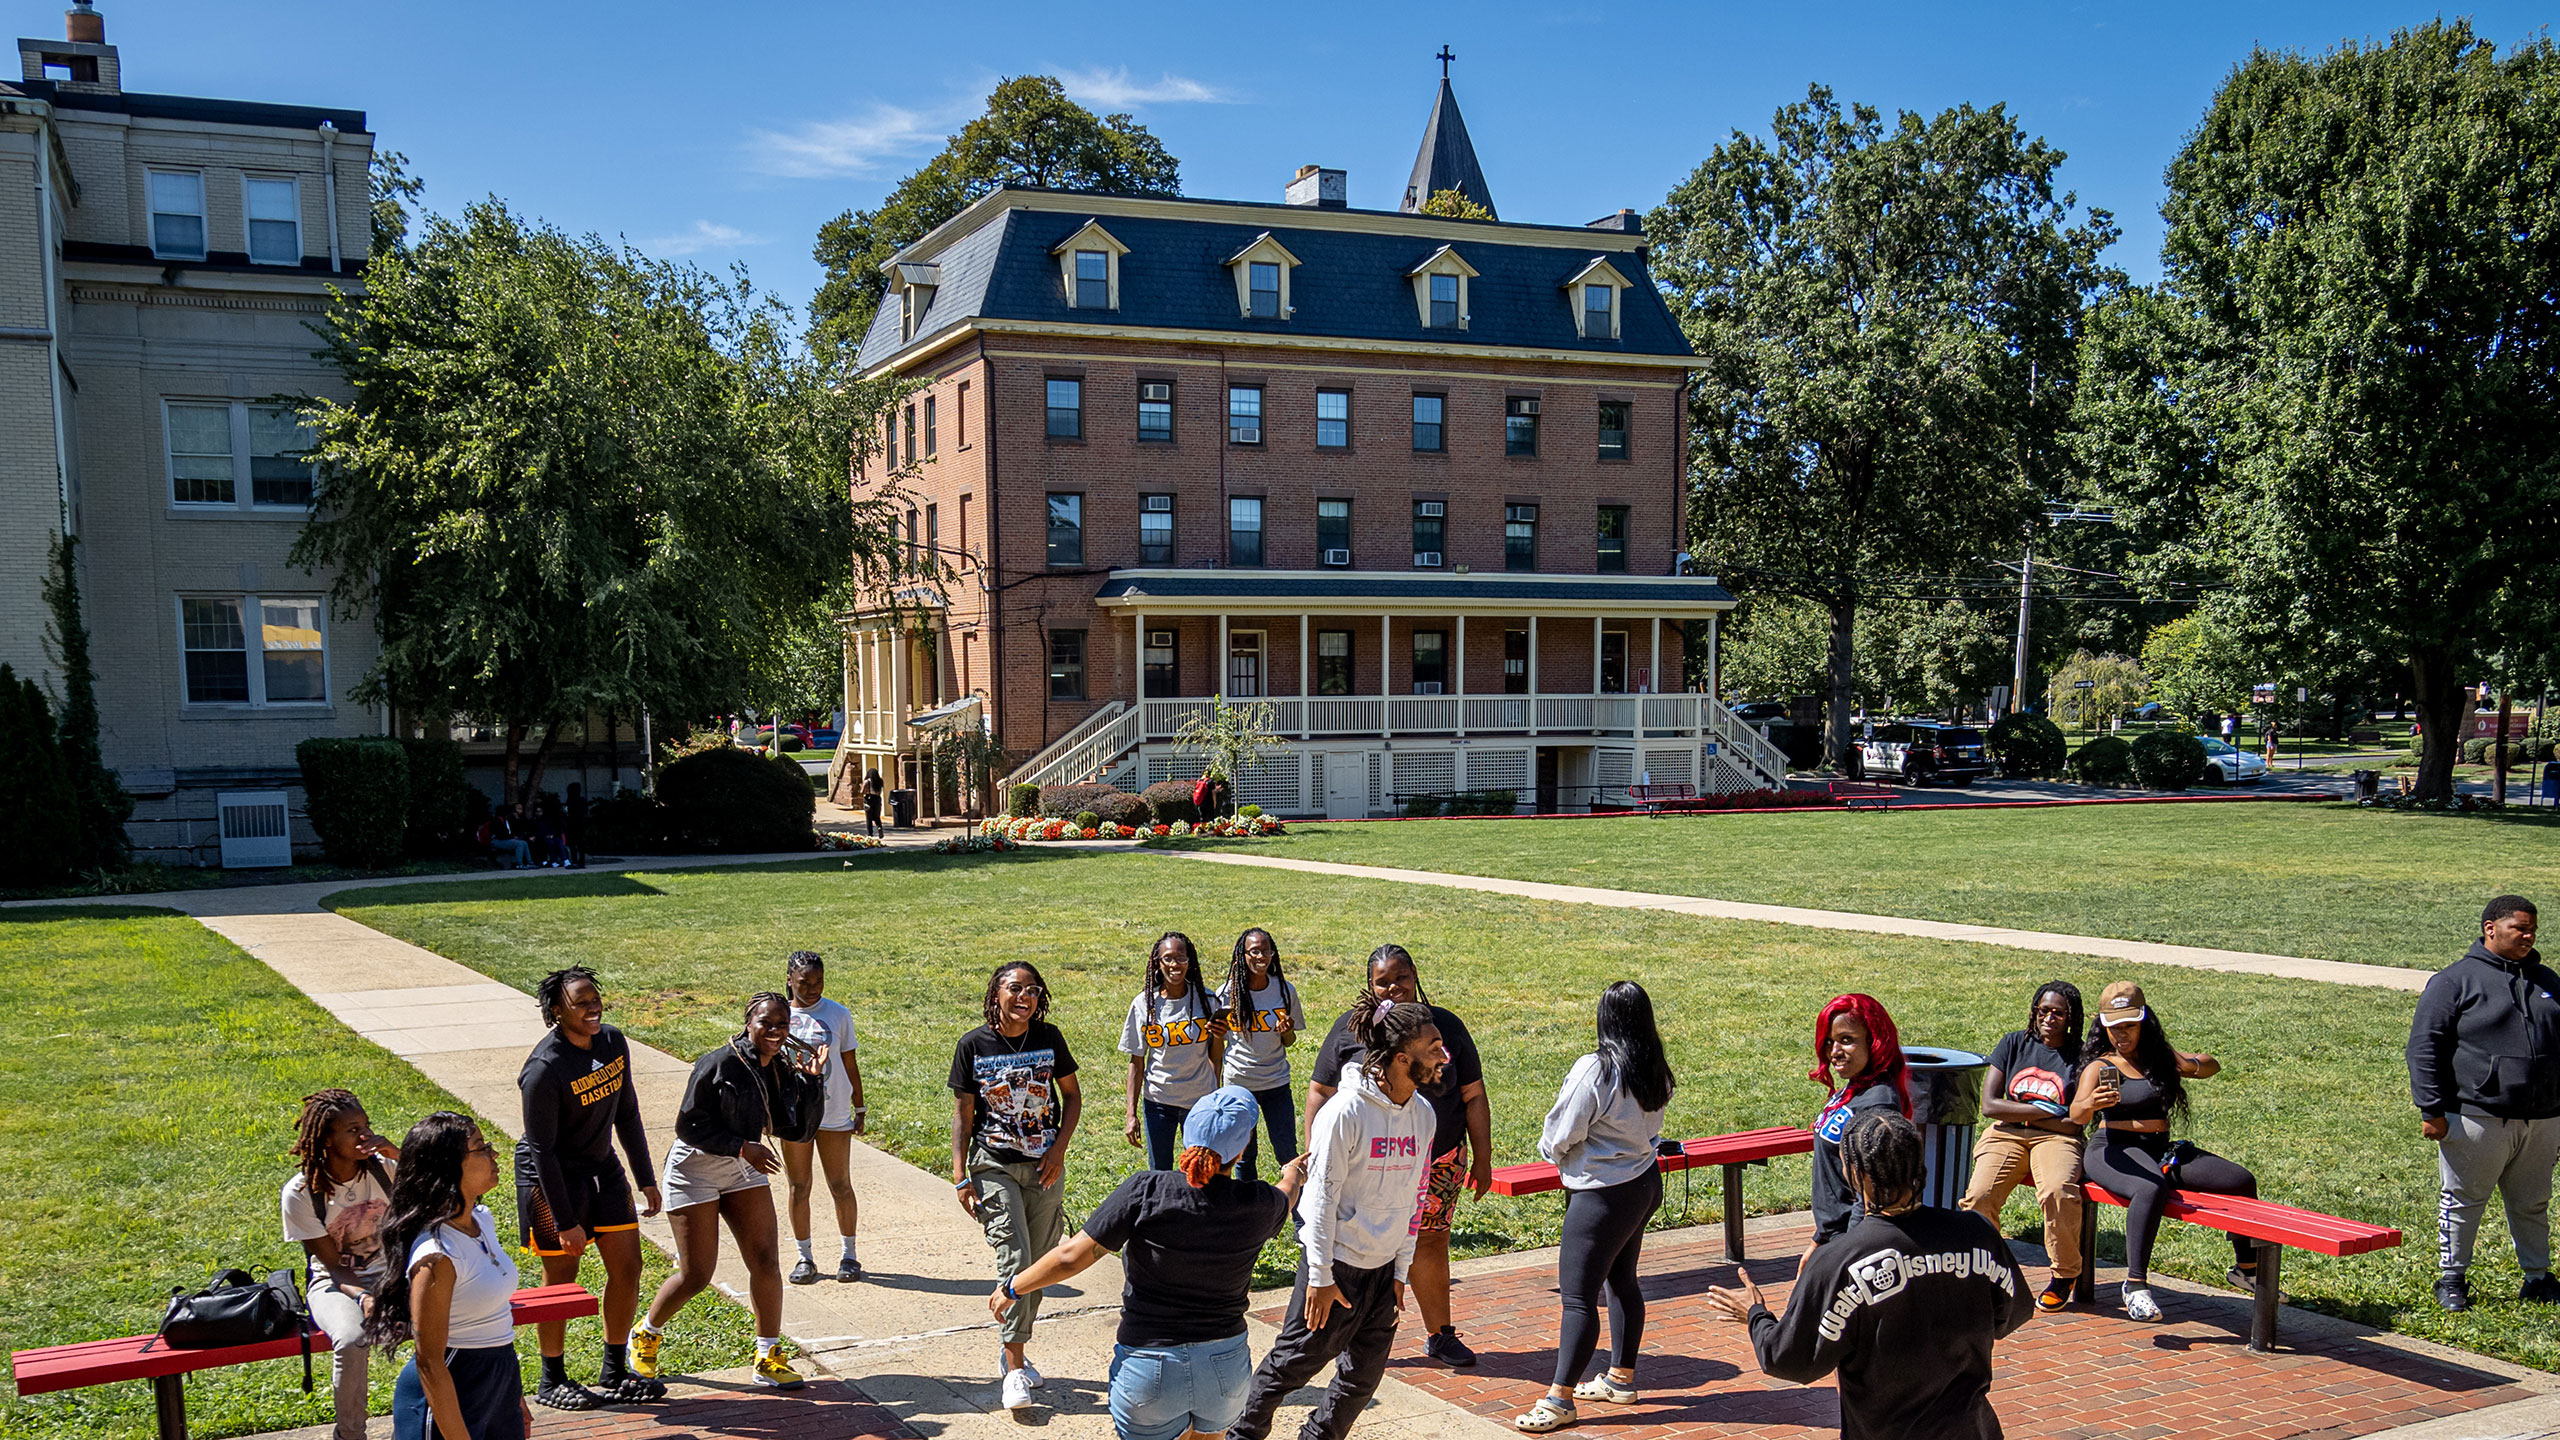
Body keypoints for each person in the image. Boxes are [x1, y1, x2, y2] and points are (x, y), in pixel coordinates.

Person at [994, 1087, 1311, 1440]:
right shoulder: (1258, 1204)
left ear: (1188, 1134)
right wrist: (1294, 1172)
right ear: (1242, 1147)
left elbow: (1071, 1256)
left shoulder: (1147, 1191)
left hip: (1149, 1365)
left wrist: (1013, 1287)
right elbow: (1287, 1191)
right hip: (1224, 1367)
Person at [1709, 1111, 2032, 1440]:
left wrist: (1755, 1313)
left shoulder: (1839, 1262)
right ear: (1919, 1166)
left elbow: (1788, 1359)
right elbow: (2015, 1311)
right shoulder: (1977, 1234)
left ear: (1855, 1172)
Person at [1230, 1001, 1442, 1440]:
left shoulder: (1424, 1115)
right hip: (1336, 1268)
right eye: (1434, 1047)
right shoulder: (1345, 1112)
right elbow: (1319, 1200)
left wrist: (1400, 1272)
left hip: (1383, 1273)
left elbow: (1414, 1199)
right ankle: (1238, 1435)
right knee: (1289, 1368)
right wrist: (1321, 1277)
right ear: (1403, 1058)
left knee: (1361, 1381)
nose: (1444, 1056)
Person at [1304, 943, 1490, 1367]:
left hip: (1438, 1159)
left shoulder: (1444, 1027)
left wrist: (1482, 1158)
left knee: (1430, 1242)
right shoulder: (1351, 1030)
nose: (1393, 988)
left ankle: (1440, 1335)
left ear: (1415, 976)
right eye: (1382, 981)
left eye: (1400, 978)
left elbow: (1473, 1094)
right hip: (1366, 1165)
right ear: (1369, 985)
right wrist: (1315, 1151)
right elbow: (1320, 1090)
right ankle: (1352, 1339)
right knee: (1361, 1246)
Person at [631, 993, 824, 1389]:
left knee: (766, 1260)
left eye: (782, 1025)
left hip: (742, 1167)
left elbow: (797, 1130)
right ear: (748, 1022)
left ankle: (767, 1355)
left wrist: (811, 1081)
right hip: (696, 1168)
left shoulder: (780, 1067)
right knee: (697, 1273)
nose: (774, 1032)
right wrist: (741, 1146)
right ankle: (645, 1334)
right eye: (766, 1023)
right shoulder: (718, 1063)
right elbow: (688, 1126)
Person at [1514, 982, 1676, 1435]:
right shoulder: (1654, 1067)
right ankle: (1620, 1379)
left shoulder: (1597, 1068)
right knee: (1623, 1280)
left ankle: (1559, 1399)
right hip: (1643, 1183)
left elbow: (1564, 1129)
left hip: (1600, 1197)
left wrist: (1553, 1151)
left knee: (1578, 1299)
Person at [515, 966, 663, 1408]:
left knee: (628, 1266)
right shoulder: (544, 1069)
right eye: (581, 1002)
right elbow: (541, 1151)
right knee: (561, 1277)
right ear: (557, 1012)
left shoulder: (613, 1042)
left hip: (603, 1168)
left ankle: (615, 1370)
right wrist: (564, 1221)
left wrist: (646, 1178)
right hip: (552, 1178)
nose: (593, 1007)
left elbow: (628, 1112)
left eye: (595, 998)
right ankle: (551, 1378)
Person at [2071, 980, 2259, 1322]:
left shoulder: (2159, 1058)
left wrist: (2189, 1065)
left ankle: (2246, 1268)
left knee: (2241, 1180)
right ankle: (2135, 1284)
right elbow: (2076, 1113)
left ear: (2144, 1022)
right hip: (2111, 1148)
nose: (2121, 1035)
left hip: (2159, 1151)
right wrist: (2090, 1103)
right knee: (2149, 1187)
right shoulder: (2102, 1067)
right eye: (2113, 1027)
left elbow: (2212, 1065)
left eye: (2129, 1025)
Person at [2408, 895, 2560, 1311]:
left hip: (2544, 1117)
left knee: (2533, 1201)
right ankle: (2452, 1279)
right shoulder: (2455, 981)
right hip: (2476, 1113)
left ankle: (2538, 1278)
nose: (2529, 936)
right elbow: (2425, 1047)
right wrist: (2432, 1110)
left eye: (2533, 929)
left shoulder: (2547, 980)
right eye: (2520, 928)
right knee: (2463, 1198)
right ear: (2491, 928)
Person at [951, 961, 1084, 1411]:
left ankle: (1016, 1351)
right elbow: (964, 1114)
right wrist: (959, 1174)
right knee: (1016, 1259)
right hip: (994, 1167)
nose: (1023, 996)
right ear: (996, 993)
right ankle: (1014, 1366)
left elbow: (1073, 1095)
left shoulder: (1049, 1038)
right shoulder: (973, 1044)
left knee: (1040, 1266)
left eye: (1032, 989)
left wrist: (1059, 1150)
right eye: (1014, 988)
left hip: (1045, 1166)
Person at [365, 1112, 528, 1440]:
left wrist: (513, 1395)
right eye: (481, 1147)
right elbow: (429, 1361)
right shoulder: (437, 1255)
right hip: (450, 1389)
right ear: (448, 1165)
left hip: (498, 1379)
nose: (493, 1154)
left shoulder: (482, 1221)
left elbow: (497, 1321)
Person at [1961, 980, 2089, 1312]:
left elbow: (2075, 1122)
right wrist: (2048, 1111)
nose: (2049, 1018)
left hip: (2058, 1139)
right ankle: (1983, 1269)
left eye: (2058, 1013)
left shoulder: (2082, 1056)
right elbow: (1989, 1105)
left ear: (2071, 1017)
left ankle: (2064, 1274)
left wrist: (2029, 1114)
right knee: (1979, 1196)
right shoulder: (2014, 1043)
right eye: (2042, 1011)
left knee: (2058, 1191)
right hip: (2007, 1134)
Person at [283, 1088, 403, 1440]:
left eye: (366, 1125)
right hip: (336, 1284)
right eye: (352, 1130)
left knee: (449, 1317)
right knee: (352, 1340)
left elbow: (434, 1185)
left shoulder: (386, 1170)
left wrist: (394, 1151)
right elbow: (333, 1265)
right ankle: (350, 1435)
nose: (365, 1135)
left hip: (391, 1272)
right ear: (326, 1139)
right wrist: (364, 1298)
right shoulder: (302, 1193)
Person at [781, 951, 868, 1286]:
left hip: (833, 1113)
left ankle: (850, 1255)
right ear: (790, 979)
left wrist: (859, 1106)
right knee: (799, 1185)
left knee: (840, 1184)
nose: (813, 988)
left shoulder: (838, 1014)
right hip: (794, 1117)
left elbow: (849, 1063)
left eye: (818, 982)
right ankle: (805, 1258)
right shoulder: (779, 1014)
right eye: (805, 982)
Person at [1807, 994, 1912, 1248]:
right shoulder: (1857, 1088)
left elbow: (1871, 1194)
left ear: (1874, 1042)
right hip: (1834, 1236)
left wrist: (1844, 1250)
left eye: (1847, 1041)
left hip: (1852, 1239)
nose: (1834, 1052)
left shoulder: (1879, 1103)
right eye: (1830, 1041)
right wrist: (1819, 1239)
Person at [1122, 932, 1227, 1171]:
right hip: (1159, 1100)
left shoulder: (1207, 1000)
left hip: (1199, 1099)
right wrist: (1131, 1114)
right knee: (1160, 1173)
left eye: (1181, 958)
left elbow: (1215, 1057)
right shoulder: (1144, 1004)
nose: (1174, 965)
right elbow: (1136, 1062)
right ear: (1157, 964)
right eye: (1167, 958)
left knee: (1201, 1171)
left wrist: (1219, 1036)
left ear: (1190, 961)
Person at [1217, 927, 1305, 1183]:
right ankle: (1249, 1216)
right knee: (1244, 1156)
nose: (1261, 957)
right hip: (1239, 1085)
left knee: (1287, 1154)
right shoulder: (1227, 993)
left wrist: (1286, 1031)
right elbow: (1219, 1042)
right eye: (1254, 951)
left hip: (1276, 1083)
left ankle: (1299, 1216)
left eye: (1266, 951)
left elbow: (1289, 1041)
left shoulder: (1284, 991)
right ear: (1242, 956)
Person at [562, 784, 589, 869]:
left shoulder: (570, 800)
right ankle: (581, 862)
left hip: (572, 825)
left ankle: (575, 861)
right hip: (580, 824)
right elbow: (585, 811)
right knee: (580, 843)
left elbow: (567, 812)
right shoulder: (582, 800)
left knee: (573, 844)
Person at [863, 768, 884, 839]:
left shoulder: (867, 782)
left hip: (869, 799)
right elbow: (880, 791)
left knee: (869, 817)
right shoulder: (880, 781)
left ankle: (870, 833)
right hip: (877, 799)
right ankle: (879, 827)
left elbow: (862, 791)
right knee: (876, 816)